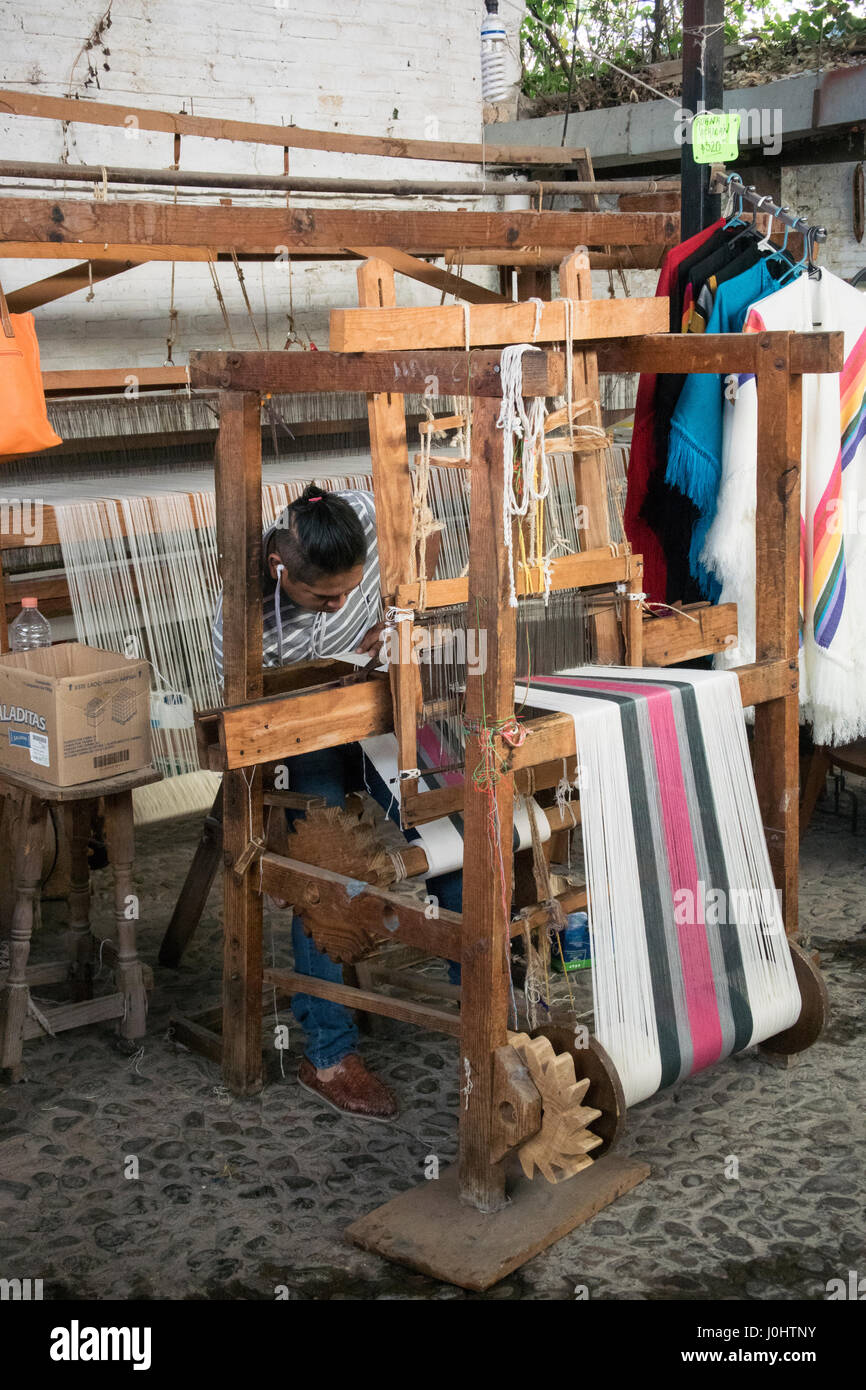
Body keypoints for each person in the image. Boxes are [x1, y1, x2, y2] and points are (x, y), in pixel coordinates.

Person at [212, 482, 460, 1122]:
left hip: (380, 699)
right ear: (280, 571)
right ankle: (327, 1054)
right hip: (304, 733)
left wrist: (403, 614)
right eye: (326, 597)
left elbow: (423, 526)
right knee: (325, 875)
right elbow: (260, 724)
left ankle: (489, 1007)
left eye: (351, 589)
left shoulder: (365, 514)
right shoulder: (245, 622)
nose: (341, 602)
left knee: (453, 824)